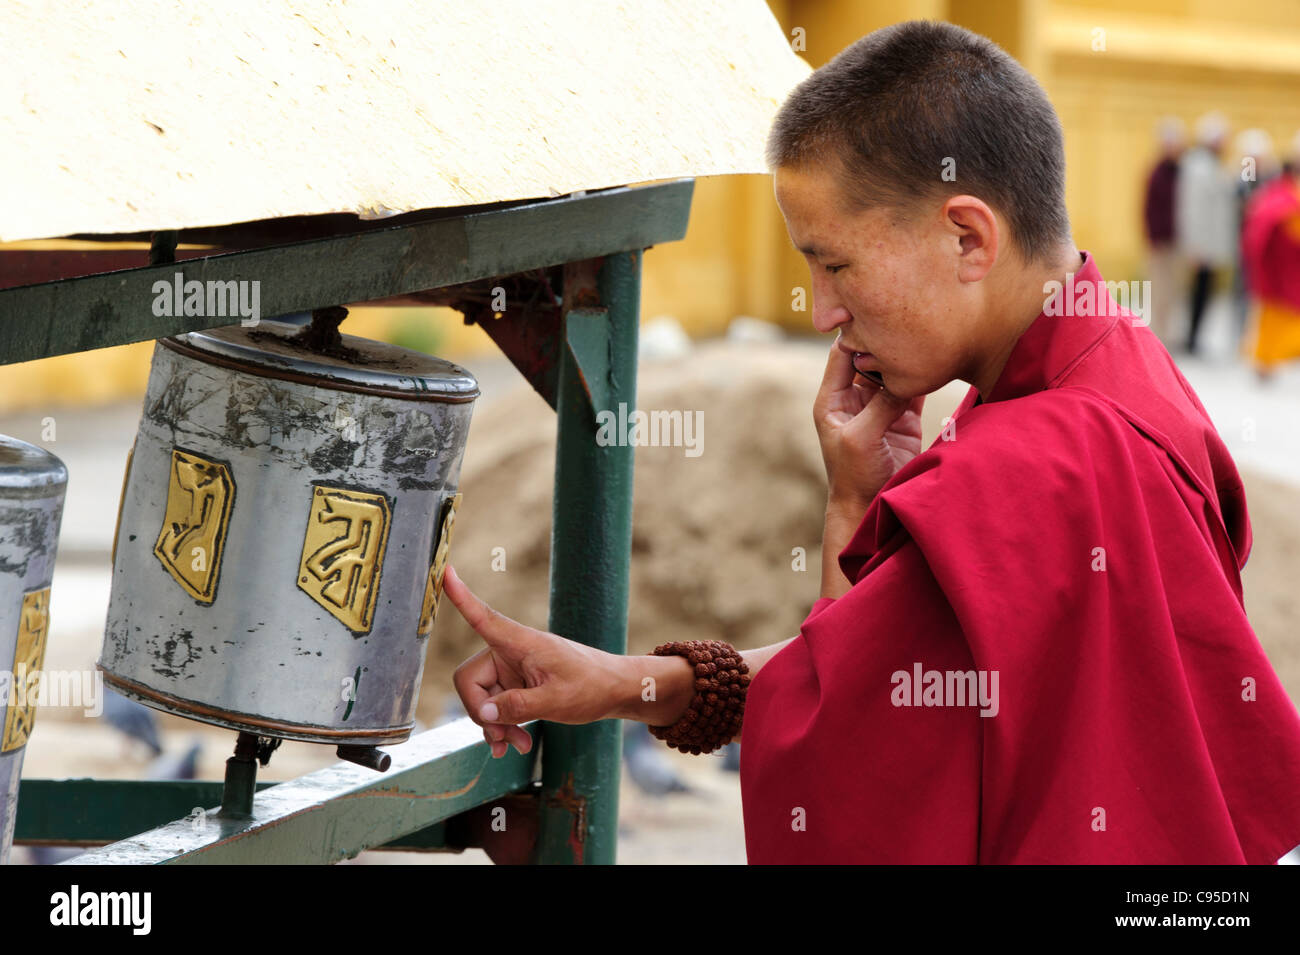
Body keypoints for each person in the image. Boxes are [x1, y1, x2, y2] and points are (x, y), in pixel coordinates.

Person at [442, 21, 1300, 864]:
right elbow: (917, 658)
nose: (821, 312)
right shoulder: (1115, 362)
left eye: (835, 265)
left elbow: (849, 766)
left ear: (968, 237)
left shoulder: (1025, 466)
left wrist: (853, 507)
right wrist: (621, 683)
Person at [1241, 132, 1300, 380]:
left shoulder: (1279, 192)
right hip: (1279, 270)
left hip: (1283, 269)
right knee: (1275, 316)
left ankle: (1266, 361)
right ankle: (1264, 362)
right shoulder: (1282, 195)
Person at [1176, 112, 1236, 355]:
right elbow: (1193, 210)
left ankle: (1195, 337)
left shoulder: (1210, 165)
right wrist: (1195, 246)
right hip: (1201, 246)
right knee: (1198, 293)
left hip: (1209, 245)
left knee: (1205, 292)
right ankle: (1191, 339)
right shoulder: (1198, 167)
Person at [1142, 117, 1183, 346]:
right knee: (1159, 290)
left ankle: (1169, 332)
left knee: (1173, 290)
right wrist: (1153, 237)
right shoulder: (1158, 174)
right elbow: (1149, 208)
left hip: (1175, 240)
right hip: (1160, 241)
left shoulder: (1178, 172)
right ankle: (1158, 333)